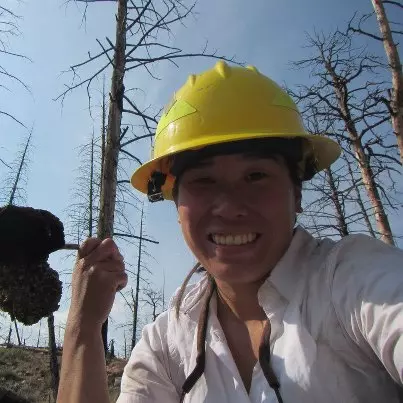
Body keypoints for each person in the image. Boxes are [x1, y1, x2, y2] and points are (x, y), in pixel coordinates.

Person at [57, 61, 403, 403]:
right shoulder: (168, 341)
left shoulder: (356, 282)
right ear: (175, 204)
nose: (228, 206)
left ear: (296, 193)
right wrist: (84, 324)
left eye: (255, 176)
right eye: (203, 181)